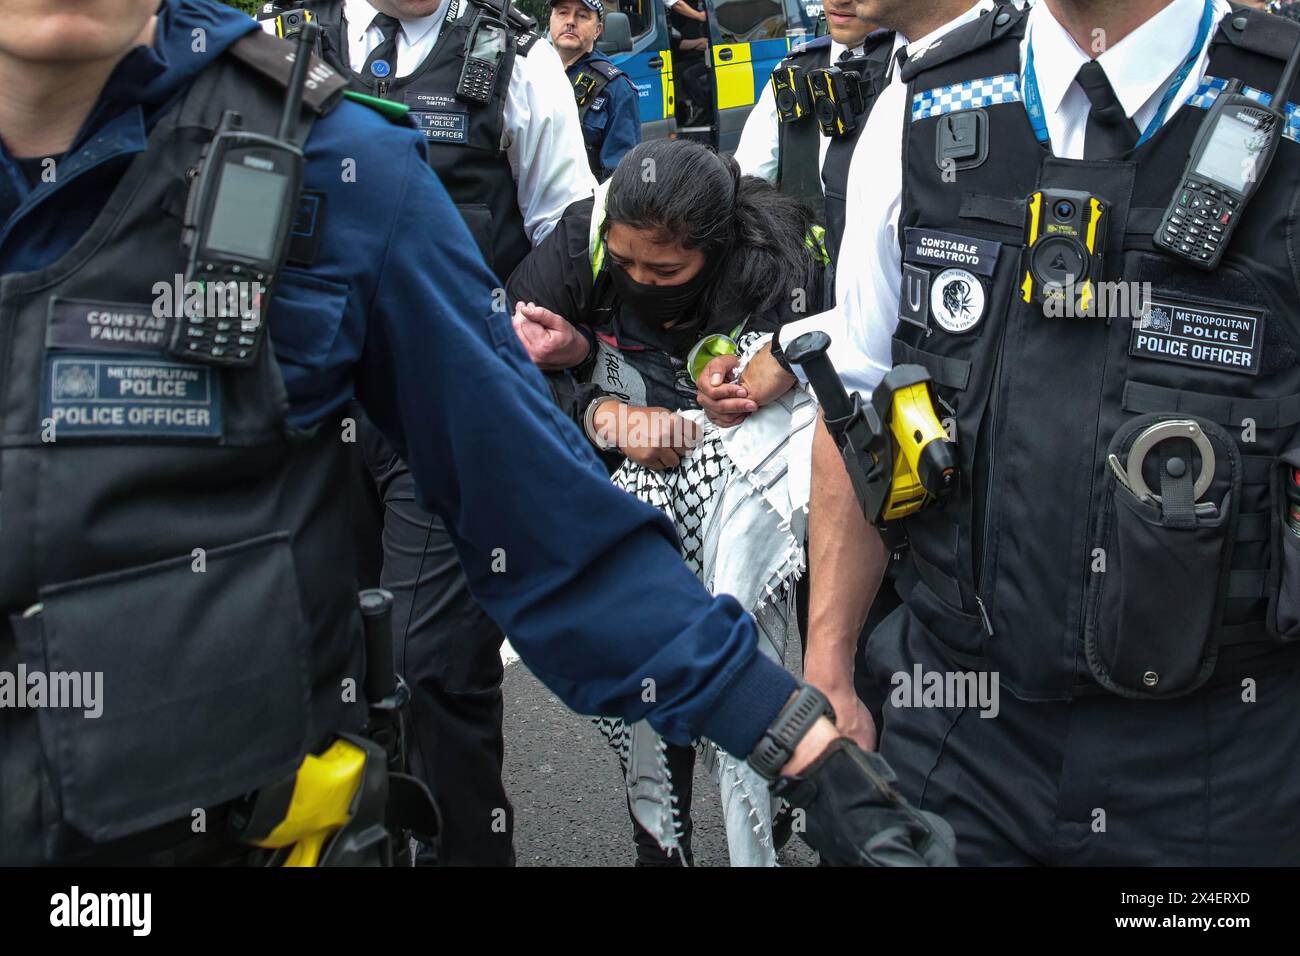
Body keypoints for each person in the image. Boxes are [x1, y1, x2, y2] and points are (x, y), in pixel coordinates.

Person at [0, 0, 956, 869]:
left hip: (212, 829)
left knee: (435, 677)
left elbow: (542, 514)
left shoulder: (342, 163)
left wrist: (799, 739)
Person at [787, 0, 1300, 864]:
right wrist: (828, 665)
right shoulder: (925, 102)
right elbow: (861, 399)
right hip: (956, 730)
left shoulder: (1282, 107)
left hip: (1225, 761)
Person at [258, 0, 594, 865]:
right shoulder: (276, 38)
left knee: (430, 672)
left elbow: (567, 222)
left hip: (446, 411)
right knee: (309, 669)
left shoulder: (517, 56)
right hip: (304, 411)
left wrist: (517, 337)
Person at [508, 139, 823, 864]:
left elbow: (840, 358)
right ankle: (659, 836)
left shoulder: (781, 257)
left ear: (719, 249)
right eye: (625, 267)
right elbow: (502, 363)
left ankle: (779, 797)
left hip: (762, 491)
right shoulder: (578, 241)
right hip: (631, 479)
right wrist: (600, 409)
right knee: (657, 658)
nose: (642, 280)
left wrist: (756, 383)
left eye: (667, 271)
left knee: (763, 655)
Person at [735, 0, 893, 261]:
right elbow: (747, 186)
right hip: (807, 281)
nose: (839, 1)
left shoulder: (909, 70)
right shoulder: (792, 70)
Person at [549, 0, 641, 180]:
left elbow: (619, 177)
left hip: (583, 204)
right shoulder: (529, 74)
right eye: (562, 13)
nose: (570, 21)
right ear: (550, 20)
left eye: (582, 15)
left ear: (597, 30)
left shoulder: (617, 89)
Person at [666, 0, 712, 128]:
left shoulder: (705, 11)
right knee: (674, 72)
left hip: (707, 57)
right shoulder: (681, 15)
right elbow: (679, 44)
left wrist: (702, 42)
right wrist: (699, 42)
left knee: (688, 75)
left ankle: (704, 108)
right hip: (692, 56)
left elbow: (710, 41)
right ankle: (683, 110)